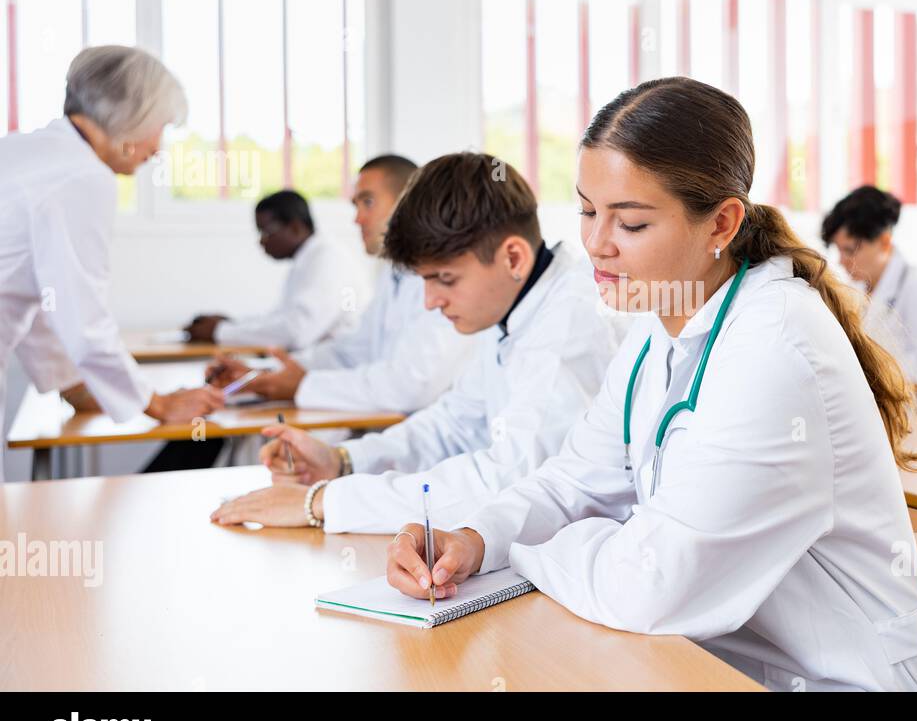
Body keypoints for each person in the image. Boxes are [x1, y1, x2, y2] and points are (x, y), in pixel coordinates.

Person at [385, 78, 917, 692]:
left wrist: (527, 552)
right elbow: (575, 480)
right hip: (710, 659)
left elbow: (645, 586)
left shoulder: (774, 348)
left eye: (629, 223)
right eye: (588, 211)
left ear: (721, 223)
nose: (596, 244)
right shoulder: (659, 326)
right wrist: (474, 538)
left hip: (833, 678)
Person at [210, 152, 624, 533]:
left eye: (443, 279)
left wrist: (321, 502)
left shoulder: (568, 324)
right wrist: (343, 461)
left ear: (513, 258)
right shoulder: (516, 307)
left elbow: (511, 481)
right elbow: (453, 423)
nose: (430, 301)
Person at [0, 46, 222, 481]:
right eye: (160, 129)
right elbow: (84, 318)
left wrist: (73, 386)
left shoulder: (28, 153)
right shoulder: (82, 176)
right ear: (132, 116)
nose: (157, 150)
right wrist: (159, 405)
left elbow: (41, 297)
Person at [204, 155, 473, 413]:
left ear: (408, 201)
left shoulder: (443, 279)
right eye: (355, 206)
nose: (357, 219)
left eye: (367, 202)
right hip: (379, 421)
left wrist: (301, 385)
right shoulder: (394, 274)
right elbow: (352, 351)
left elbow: (410, 385)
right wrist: (259, 373)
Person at [822, 185, 917, 413]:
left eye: (850, 250)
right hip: (892, 413)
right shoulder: (860, 291)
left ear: (884, 241)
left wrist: (872, 374)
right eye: (839, 250)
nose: (841, 261)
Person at [184, 190, 357, 349]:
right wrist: (233, 324)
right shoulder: (308, 259)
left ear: (295, 228)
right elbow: (280, 319)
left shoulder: (327, 258)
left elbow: (296, 332)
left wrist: (220, 332)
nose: (262, 241)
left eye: (266, 232)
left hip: (332, 369)